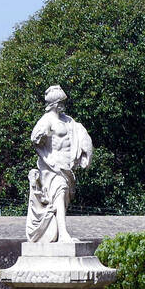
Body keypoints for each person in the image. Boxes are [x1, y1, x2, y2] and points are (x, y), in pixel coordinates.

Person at [26, 85, 92, 243]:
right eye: (61, 101)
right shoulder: (46, 120)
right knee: (60, 191)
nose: (64, 104)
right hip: (51, 166)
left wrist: (84, 151)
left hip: (66, 168)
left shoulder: (68, 120)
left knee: (61, 200)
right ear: (55, 104)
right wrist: (42, 135)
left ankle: (56, 233)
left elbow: (79, 133)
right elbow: (35, 138)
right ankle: (63, 234)